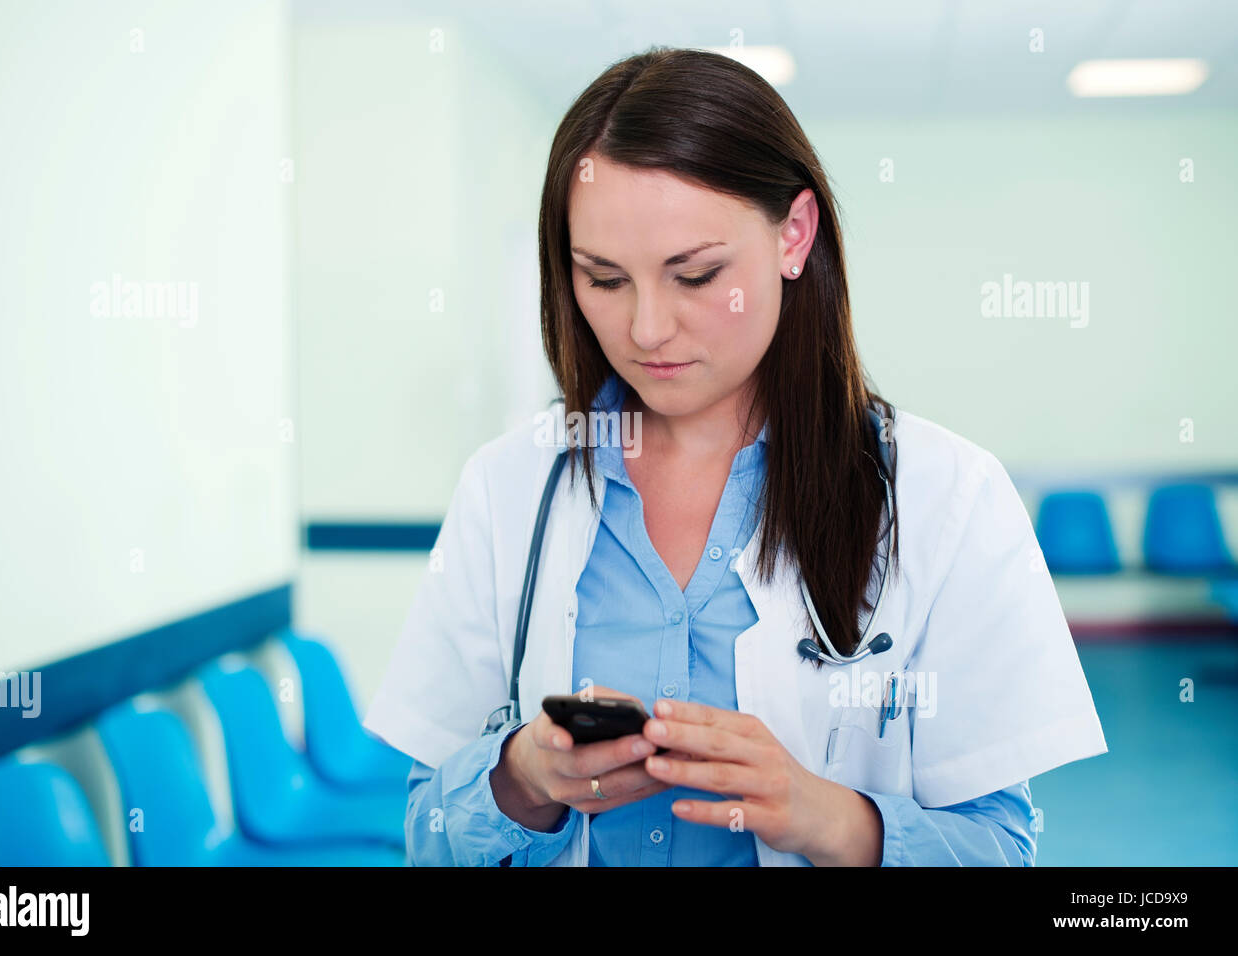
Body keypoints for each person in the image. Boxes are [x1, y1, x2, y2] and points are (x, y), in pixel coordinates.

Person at [362, 46, 1107, 866]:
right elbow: (426, 831)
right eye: (603, 278)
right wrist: (525, 777)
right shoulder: (507, 489)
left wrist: (825, 818)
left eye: (696, 273)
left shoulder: (946, 495)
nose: (646, 329)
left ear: (794, 235)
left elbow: (1001, 848)